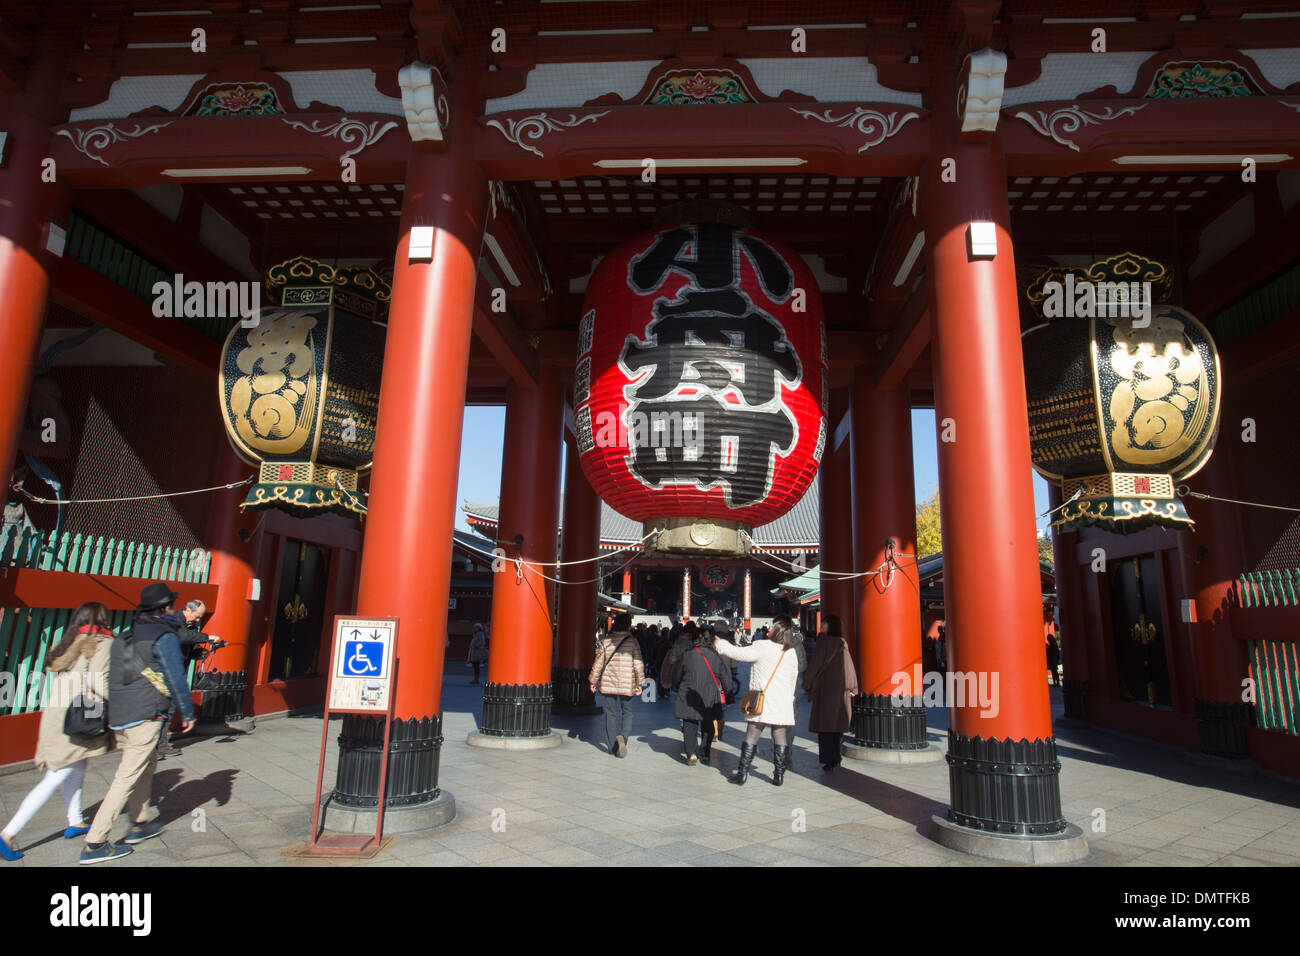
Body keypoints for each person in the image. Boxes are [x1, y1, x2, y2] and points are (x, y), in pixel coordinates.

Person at [80, 583, 197, 864]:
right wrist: (188, 711)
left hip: (121, 715)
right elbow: (176, 677)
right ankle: (95, 842)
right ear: (166, 608)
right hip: (145, 715)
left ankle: (139, 822)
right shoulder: (164, 636)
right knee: (127, 776)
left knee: (147, 765)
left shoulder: (125, 636)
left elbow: (115, 678)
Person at [1, 603, 115, 862]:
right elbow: (97, 681)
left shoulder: (68, 641)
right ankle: (8, 833)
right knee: (57, 774)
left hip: (59, 715)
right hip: (79, 718)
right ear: (102, 618)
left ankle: (75, 820)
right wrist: (123, 703)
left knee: (77, 765)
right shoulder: (101, 642)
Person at [715, 614, 800, 786]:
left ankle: (742, 773)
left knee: (752, 735)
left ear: (778, 630)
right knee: (780, 735)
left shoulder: (762, 646)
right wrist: (790, 697)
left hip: (761, 699)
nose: (768, 627)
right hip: (782, 700)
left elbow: (739, 653)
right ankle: (779, 774)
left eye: (772, 626)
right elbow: (794, 677)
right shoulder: (790, 652)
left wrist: (722, 645)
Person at [665, 625, 733, 766]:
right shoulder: (715, 656)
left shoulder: (687, 654)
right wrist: (729, 695)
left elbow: (677, 673)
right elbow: (724, 677)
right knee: (708, 724)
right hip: (709, 695)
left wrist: (675, 687)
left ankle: (691, 753)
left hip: (689, 694)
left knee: (690, 723)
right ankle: (705, 752)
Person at [803, 614, 858, 771]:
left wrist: (807, 683)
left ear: (829, 626)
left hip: (825, 689)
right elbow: (849, 666)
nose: (822, 625)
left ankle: (829, 759)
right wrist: (852, 687)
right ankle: (837, 756)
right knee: (836, 726)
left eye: (824, 623)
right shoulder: (842, 642)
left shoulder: (824, 642)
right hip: (840, 689)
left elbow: (816, 664)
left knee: (825, 726)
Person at [588, 612, 644, 758]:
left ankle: (612, 746)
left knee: (610, 713)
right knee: (627, 712)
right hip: (627, 682)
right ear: (628, 625)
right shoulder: (633, 642)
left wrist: (593, 681)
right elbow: (638, 663)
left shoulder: (607, 641)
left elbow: (598, 662)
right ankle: (623, 737)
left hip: (609, 682)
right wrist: (639, 683)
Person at [156, 598, 207, 757]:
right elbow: (183, 637)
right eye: (197, 616)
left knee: (170, 709)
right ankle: (153, 745)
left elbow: (190, 643)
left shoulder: (190, 625)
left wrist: (199, 652)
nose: (197, 620)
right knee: (160, 709)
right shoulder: (175, 621)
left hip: (178, 671)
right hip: (165, 672)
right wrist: (207, 637)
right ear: (188, 610)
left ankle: (162, 743)